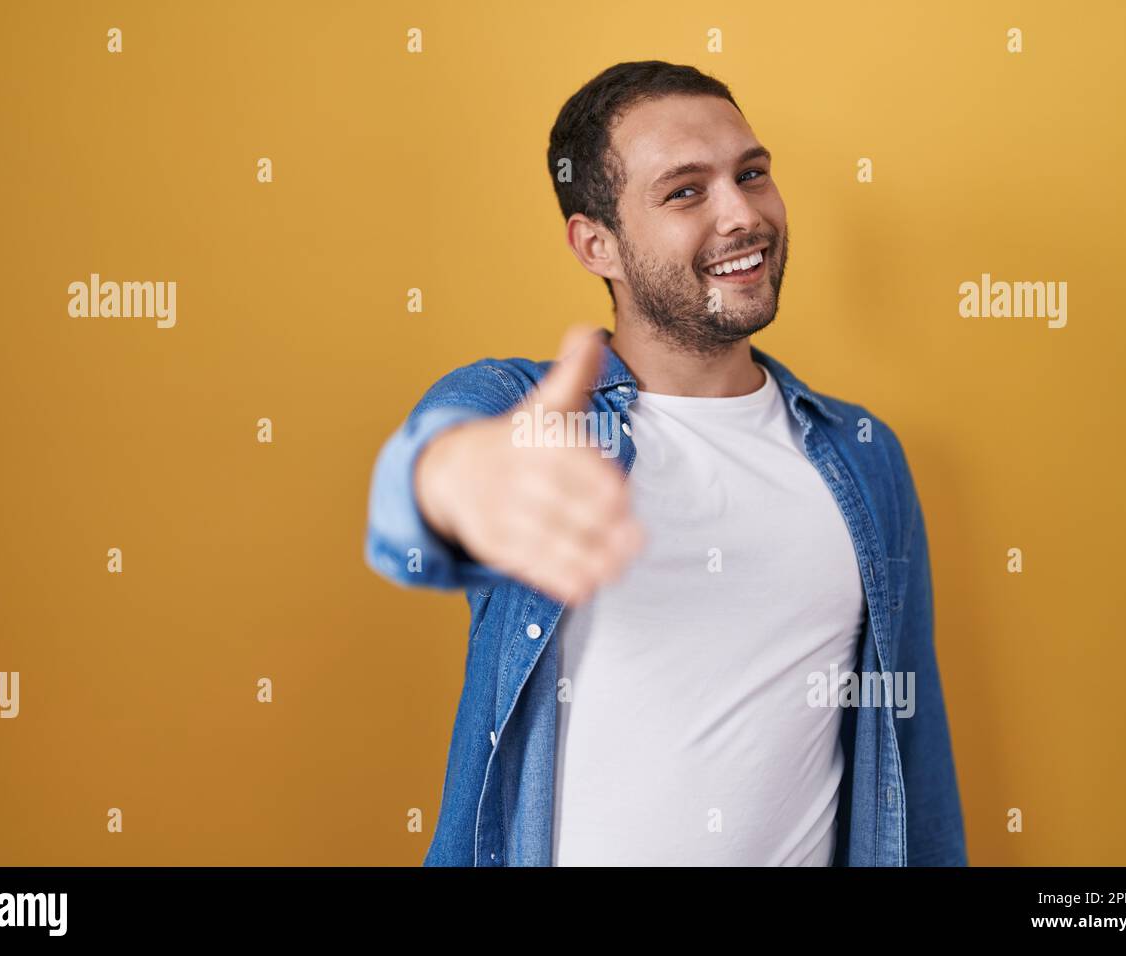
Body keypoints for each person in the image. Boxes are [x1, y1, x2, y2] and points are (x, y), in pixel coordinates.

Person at [365, 60, 966, 866]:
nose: (742, 214)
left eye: (752, 175)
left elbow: (910, 754)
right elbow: (420, 484)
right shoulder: (527, 411)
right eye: (685, 191)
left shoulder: (865, 457)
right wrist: (458, 482)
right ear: (597, 243)